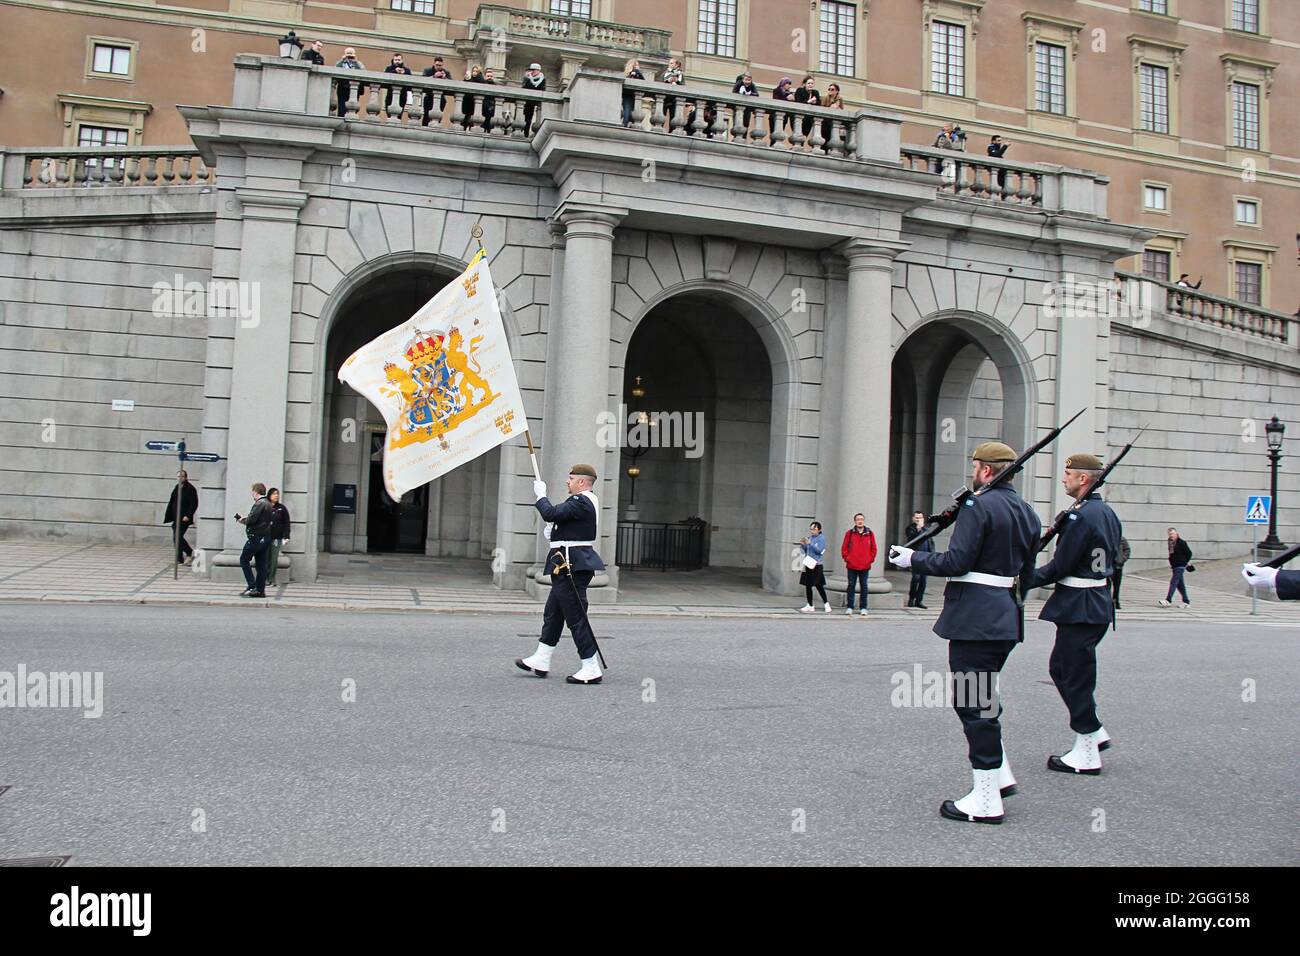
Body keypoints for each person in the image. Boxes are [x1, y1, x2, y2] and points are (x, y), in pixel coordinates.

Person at [888, 442, 1040, 825]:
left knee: (974, 704)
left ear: (987, 470)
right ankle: (1000, 775)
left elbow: (957, 560)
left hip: (976, 617)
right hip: (1006, 615)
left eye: (975, 466)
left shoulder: (978, 505)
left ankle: (986, 799)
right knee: (984, 697)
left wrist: (912, 559)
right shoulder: (1028, 511)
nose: (972, 472)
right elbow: (1029, 571)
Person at [1021, 454, 1122, 776]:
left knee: (1071, 673)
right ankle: (1092, 731)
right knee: (1067, 669)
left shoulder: (1081, 517)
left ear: (1083, 479)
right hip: (1094, 600)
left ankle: (1088, 745)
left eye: (1068, 474)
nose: (1063, 479)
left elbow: (1060, 566)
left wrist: (1025, 578)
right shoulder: (1105, 512)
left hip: (1081, 604)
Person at [516, 464, 606, 685]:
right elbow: (563, 524)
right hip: (566, 564)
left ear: (582, 482)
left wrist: (541, 495)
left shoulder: (580, 501)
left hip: (571, 566)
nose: (568, 481)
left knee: (576, 617)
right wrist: (555, 532)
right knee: (553, 614)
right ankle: (541, 658)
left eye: (571, 478)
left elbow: (550, 512)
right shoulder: (582, 502)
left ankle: (591, 665)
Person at [235, 482, 275, 598]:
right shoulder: (268, 503)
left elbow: (252, 520)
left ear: (255, 491)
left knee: (244, 559)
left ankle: (252, 586)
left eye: (252, 491)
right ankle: (260, 590)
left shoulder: (259, 503)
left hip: (256, 538)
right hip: (265, 537)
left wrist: (242, 520)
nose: (251, 493)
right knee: (261, 564)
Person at [840, 514, 877, 617]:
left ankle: (863, 607)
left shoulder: (869, 533)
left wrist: (870, 560)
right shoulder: (850, 533)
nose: (860, 521)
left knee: (864, 586)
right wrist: (847, 558)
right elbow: (844, 548)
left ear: (864, 521)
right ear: (855, 521)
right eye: (858, 520)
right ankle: (850, 606)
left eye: (861, 519)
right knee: (851, 585)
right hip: (852, 564)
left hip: (865, 565)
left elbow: (874, 548)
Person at [163, 470, 198, 565]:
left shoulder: (190, 488)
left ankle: (190, 552)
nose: (179, 478)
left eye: (182, 476)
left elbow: (193, 504)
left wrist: (188, 515)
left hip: (184, 518)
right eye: (178, 476)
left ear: (186, 477)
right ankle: (179, 558)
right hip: (176, 517)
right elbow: (172, 501)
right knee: (176, 538)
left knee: (178, 537)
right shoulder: (177, 487)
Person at [799, 521, 831, 613]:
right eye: (811, 529)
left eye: (814, 529)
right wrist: (803, 545)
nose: (812, 531)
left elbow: (820, 551)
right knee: (808, 585)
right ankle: (810, 604)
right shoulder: (810, 538)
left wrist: (810, 544)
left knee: (819, 585)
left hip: (817, 564)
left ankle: (826, 603)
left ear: (819, 529)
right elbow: (805, 551)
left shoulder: (821, 538)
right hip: (808, 563)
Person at [905, 511, 934, 608]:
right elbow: (911, 539)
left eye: (920, 518)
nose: (918, 519)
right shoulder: (911, 528)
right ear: (913, 518)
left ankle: (919, 601)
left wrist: (932, 554)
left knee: (923, 580)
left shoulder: (926, 529)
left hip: (926, 557)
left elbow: (931, 541)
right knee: (916, 578)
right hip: (916, 557)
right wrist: (918, 529)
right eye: (916, 518)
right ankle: (911, 599)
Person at [1159, 527, 1192, 607]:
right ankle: (1186, 602)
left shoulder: (1181, 542)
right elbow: (1171, 555)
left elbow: (1189, 553)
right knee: (1180, 585)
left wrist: (1184, 562)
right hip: (1174, 566)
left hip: (1180, 566)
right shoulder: (1170, 543)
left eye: (1173, 534)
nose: (1171, 535)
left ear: (1176, 533)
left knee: (1173, 582)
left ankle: (1168, 600)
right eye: (1170, 534)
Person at [266, 488, 291, 589]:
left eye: (277, 494)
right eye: (273, 494)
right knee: (265, 559)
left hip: (276, 538)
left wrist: (286, 536)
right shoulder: (264, 507)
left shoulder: (282, 508)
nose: (276, 496)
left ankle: (271, 579)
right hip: (264, 537)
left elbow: (286, 523)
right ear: (269, 495)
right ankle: (264, 578)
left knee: (273, 559)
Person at [335, 48, 367, 116]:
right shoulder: (341, 63)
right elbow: (335, 69)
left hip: (354, 89)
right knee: (341, 109)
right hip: (343, 88)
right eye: (348, 56)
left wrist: (355, 62)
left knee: (353, 109)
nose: (349, 58)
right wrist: (342, 60)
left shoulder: (358, 64)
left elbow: (364, 72)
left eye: (351, 56)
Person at [462, 65, 495, 130]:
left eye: (476, 71)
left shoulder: (481, 79)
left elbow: (483, 84)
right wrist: (466, 79)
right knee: (466, 118)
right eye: (473, 71)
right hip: (468, 102)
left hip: (478, 104)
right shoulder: (470, 78)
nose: (474, 72)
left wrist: (478, 76)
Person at [421, 56, 453, 125]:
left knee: (439, 116)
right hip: (429, 96)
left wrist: (445, 78)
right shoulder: (427, 70)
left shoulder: (446, 72)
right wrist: (434, 76)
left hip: (441, 98)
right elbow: (422, 81)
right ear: (434, 64)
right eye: (437, 65)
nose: (438, 67)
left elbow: (452, 84)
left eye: (440, 65)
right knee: (426, 115)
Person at [660, 58, 686, 131]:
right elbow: (660, 83)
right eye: (669, 63)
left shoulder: (680, 74)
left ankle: (671, 131)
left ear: (676, 64)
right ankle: (659, 129)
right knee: (661, 116)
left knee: (673, 117)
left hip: (675, 99)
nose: (669, 64)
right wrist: (668, 81)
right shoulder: (665, 73)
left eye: (671, 63)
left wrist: (677, 81)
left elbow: (683, 86)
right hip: (664, 97)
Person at [520, 62, 546, 133]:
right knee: (523, 117)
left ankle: (526, 132)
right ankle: (523, 131)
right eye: (531, 70)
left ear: (538, 70)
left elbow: (542, 90)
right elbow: (523, 88)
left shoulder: (542, 79)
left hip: (534, 102)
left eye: (533, 70)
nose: (531, 72)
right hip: (526, 101)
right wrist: (527, 79)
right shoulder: (527, 78)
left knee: (529, 118)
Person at [793, 75, 821, 140]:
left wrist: (815, 102)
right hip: (799, 117)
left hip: (809, 118)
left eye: (812, 83)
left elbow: (819, 103)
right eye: (808, 83)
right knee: (798, 135)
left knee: (805, 136)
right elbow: (798, 102)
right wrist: (808, 101)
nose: (810, 85)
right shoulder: (799, 90)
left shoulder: (815, 92)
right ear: (804, 84)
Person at [820, 82, 845, 149]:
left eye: (832, 89)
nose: (830, 91)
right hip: (825, 122)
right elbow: (821, 109)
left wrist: (837, 107)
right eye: (829, 89)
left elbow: (842, 110)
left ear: (837, 91)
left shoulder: (840, 99)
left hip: (834, 123)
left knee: (833, 138)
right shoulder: (825, 98)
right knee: (824, 138)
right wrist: (830, 107)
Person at [622, 59, 645, 126]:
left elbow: (644, 81)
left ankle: (629, 125)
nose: (638, 67)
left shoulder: (638, 74)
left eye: (638, 65)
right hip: (628, 95)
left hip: (636, 96)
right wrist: (631, 74)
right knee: (627, 112)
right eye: (636, 65)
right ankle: (625, 125)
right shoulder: (627, 74)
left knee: (634, 114)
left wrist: (638, 72)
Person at [1112, 535, 1131, 609]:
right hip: (1109, 566)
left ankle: (1116, 601)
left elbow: (1127, 550)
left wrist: (1122, 559)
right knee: (1107, 585)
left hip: (1118, 566)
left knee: (1117, 585)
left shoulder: (1122, 539)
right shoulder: (1108, 537)